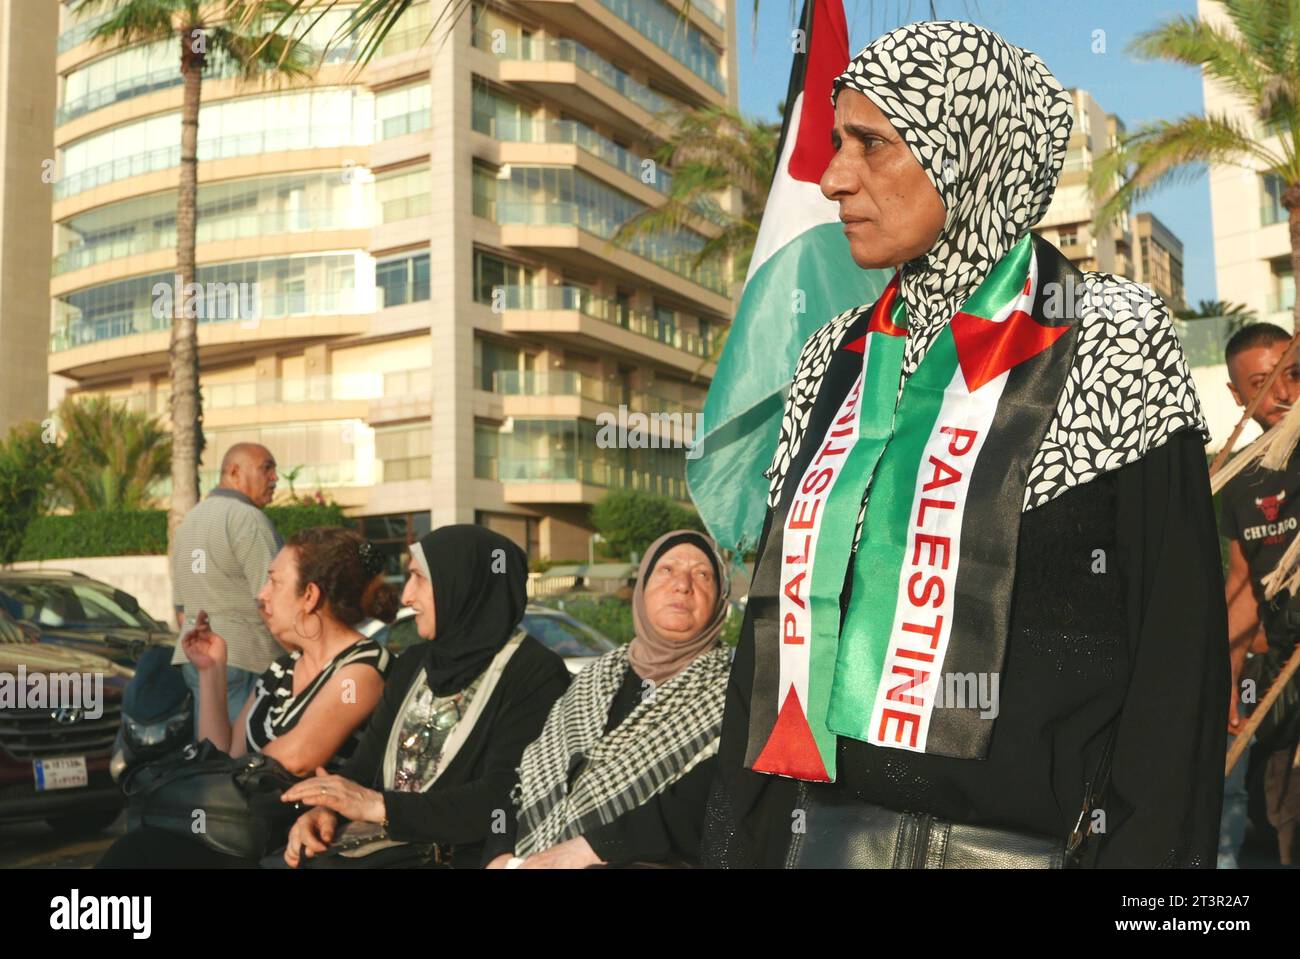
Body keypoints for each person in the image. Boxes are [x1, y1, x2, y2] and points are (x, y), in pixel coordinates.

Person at [701, 20, 1228, 869]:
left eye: (872, 145)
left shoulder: (1107, 337)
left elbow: (1177, 659)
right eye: (838, 144)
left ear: (969, 151)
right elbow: (766, 652)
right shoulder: (834, 359)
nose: (835, 178)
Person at [277, 524, 571, 869]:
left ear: (462, 583)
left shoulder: (534, 674)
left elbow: (501, 800)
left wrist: (378, 807)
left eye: (419, 578)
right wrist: (325, 810)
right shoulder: (416, 663)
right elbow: (365, 765)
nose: (406, 597)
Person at [99, 527, 396, 867]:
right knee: (137, 848)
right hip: (249, 831)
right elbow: (223, 754)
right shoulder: (281, 671)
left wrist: (221, 778)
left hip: (302, 840)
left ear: (309, 595)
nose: (261, 594)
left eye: (274, 581)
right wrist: (212, 670)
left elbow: (296, 759)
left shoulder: (363, 669)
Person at [485, 530, 732, 869]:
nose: (683, 585)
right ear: (642, 587)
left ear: (721, 600)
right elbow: (526, 774)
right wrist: (498, 853)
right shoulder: (593, 678)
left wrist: (593, 848)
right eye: (666, 570)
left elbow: (707, 800)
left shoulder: (734, 690)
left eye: (702, 574)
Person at [1218, 322, 1300, 865]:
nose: (1282, 394)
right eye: (1261, 382)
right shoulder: (1242, 477)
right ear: (1237, 396)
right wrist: (1227, 682)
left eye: (1291, 374)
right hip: (1278, 672)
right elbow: (1242, 587)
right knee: (1280, 813)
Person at [170, 442, 283, 735]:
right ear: (234, 472)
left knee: (211, 752)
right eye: (266, 468)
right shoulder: (248, 519)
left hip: (195, 655)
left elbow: (181, 609)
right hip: (245, 656)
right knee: (241, 762)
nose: (274, 478)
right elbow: (272, 598)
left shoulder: (188, 523)